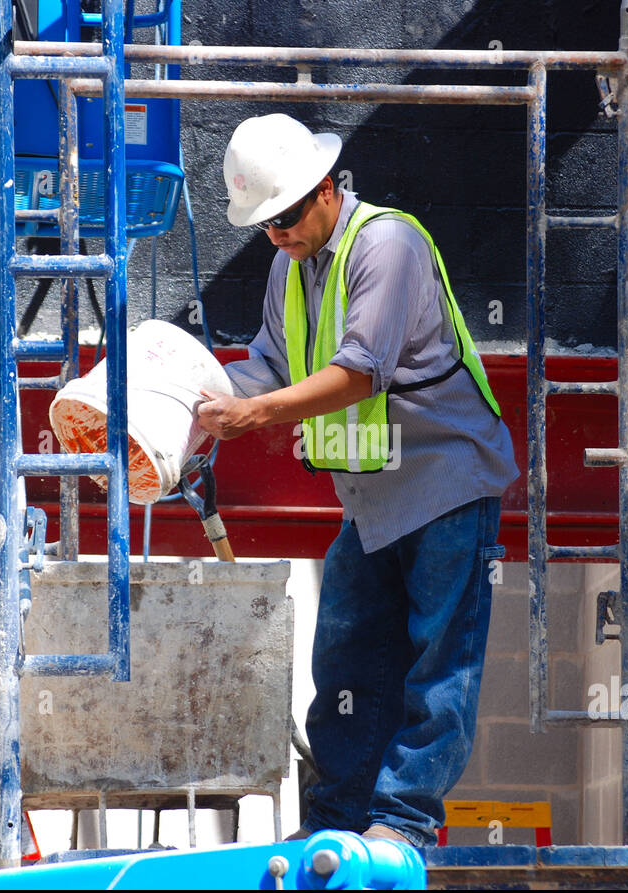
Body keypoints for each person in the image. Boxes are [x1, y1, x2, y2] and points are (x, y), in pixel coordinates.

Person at [196, 113, 519, 847]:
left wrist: (255, 412)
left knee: (438, 666)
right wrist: (202, 390)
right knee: (344, 661)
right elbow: (270, 364)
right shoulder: (290, 265)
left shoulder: (388, 245)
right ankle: (337, 820)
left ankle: (402, 821)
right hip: (373, 500)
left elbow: (359, 371)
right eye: (265, 225)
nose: (276, 234)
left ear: (322, 189)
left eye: (284, 217)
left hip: (445, 481)